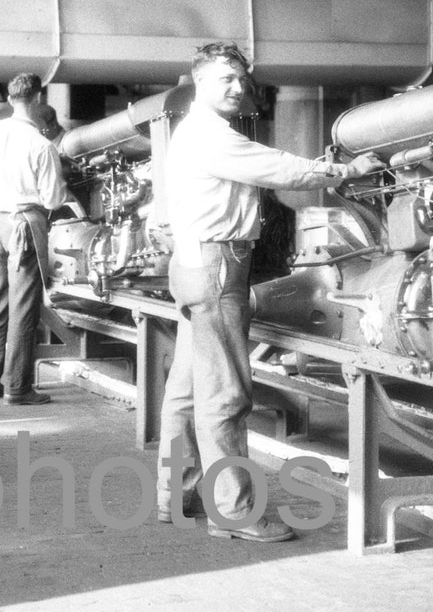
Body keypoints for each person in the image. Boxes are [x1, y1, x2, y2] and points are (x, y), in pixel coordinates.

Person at [156, 41, 384, 542]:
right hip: (217, 268)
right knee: (227, 395)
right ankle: (233, 511)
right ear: (199, 82)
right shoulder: (212, 136)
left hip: (196, 263)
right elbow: (280, 168)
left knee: (187, 390)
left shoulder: (193, 130)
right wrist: (346, 170)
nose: (238, 88)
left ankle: (176, 495)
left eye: (241, 79)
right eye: (225, 80)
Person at [0, 74, 68, 404]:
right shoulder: (40, 144)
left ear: (11, 99)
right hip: (23, 225)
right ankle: (18, 387)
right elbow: (54, 199)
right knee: (24, 308)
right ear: (39, 99)